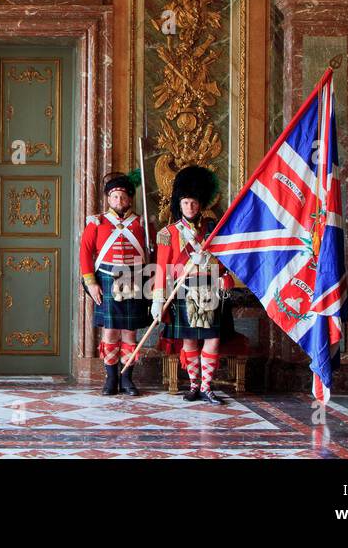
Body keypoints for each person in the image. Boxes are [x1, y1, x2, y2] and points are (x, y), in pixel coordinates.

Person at [152, 165, 234, 404]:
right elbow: (162, 269)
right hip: (183, 290)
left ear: (200, 204)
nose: (190, 207)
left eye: (194, 203)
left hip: (210, 290)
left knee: (213, 339)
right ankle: (194, 386)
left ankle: (207, 387)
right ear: (179, 204)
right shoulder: (168, 233)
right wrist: (157, 300)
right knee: (188, 339)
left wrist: (223, 274)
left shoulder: (213, 230)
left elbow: (224, 261)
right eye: (186, 202)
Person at [80, 171, 150, 397]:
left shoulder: (142, 223)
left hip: (135, 280)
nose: (118, 201)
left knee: (129, 334)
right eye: (114, 197)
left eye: (122, 197)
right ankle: (111, 379)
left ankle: (127, 378)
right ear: (108, 199)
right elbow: (85, 253)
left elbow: (153, 253)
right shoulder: (96, 222)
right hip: (107, 280)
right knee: (110, 332)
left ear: (129, 199)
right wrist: (91, 283)